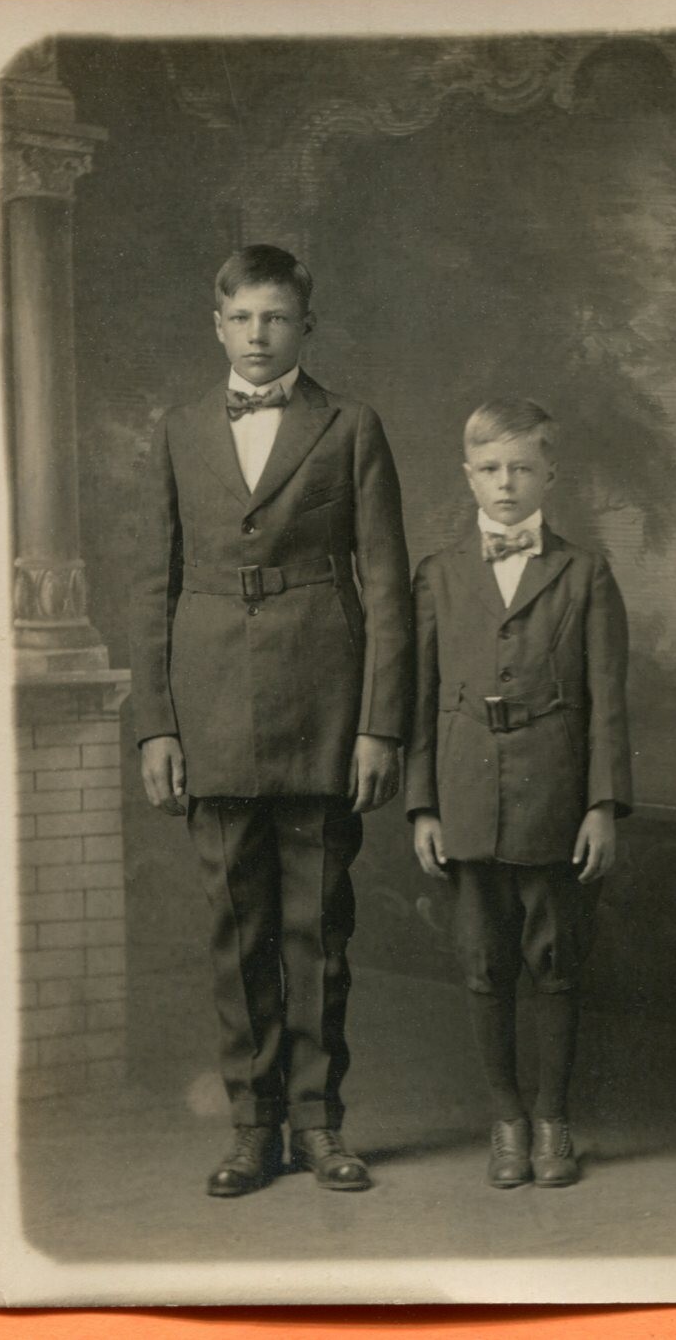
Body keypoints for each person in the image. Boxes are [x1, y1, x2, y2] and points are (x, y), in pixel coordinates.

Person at [130, 244, 412, 1197]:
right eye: (243, 317)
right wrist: (157, 725)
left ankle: (320, 1123)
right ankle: (253, 1128)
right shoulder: (175, 431)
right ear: (217, 324)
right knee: (236, 929)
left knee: (318, 930)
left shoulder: (352, 427)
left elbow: (386, 587)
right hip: (208, 712)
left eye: (278, 319)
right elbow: (152, 587)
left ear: (306, 327)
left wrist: (380, 724)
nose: (259, 335)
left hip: (324, 707)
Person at [406, 398, 631, 1188]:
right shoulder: (436, 575)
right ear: (468, 476)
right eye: (492, 469)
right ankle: (504, 1118)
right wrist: (422, 803)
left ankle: (552, 1119)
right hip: (466, 792)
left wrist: (602, 804)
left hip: (556, 795)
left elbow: (608, 697)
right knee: (482, 961)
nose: (507, 484)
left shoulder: (584, 572)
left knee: (556, 958)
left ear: (549, 475)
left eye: (523, 468)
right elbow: (421, 697)